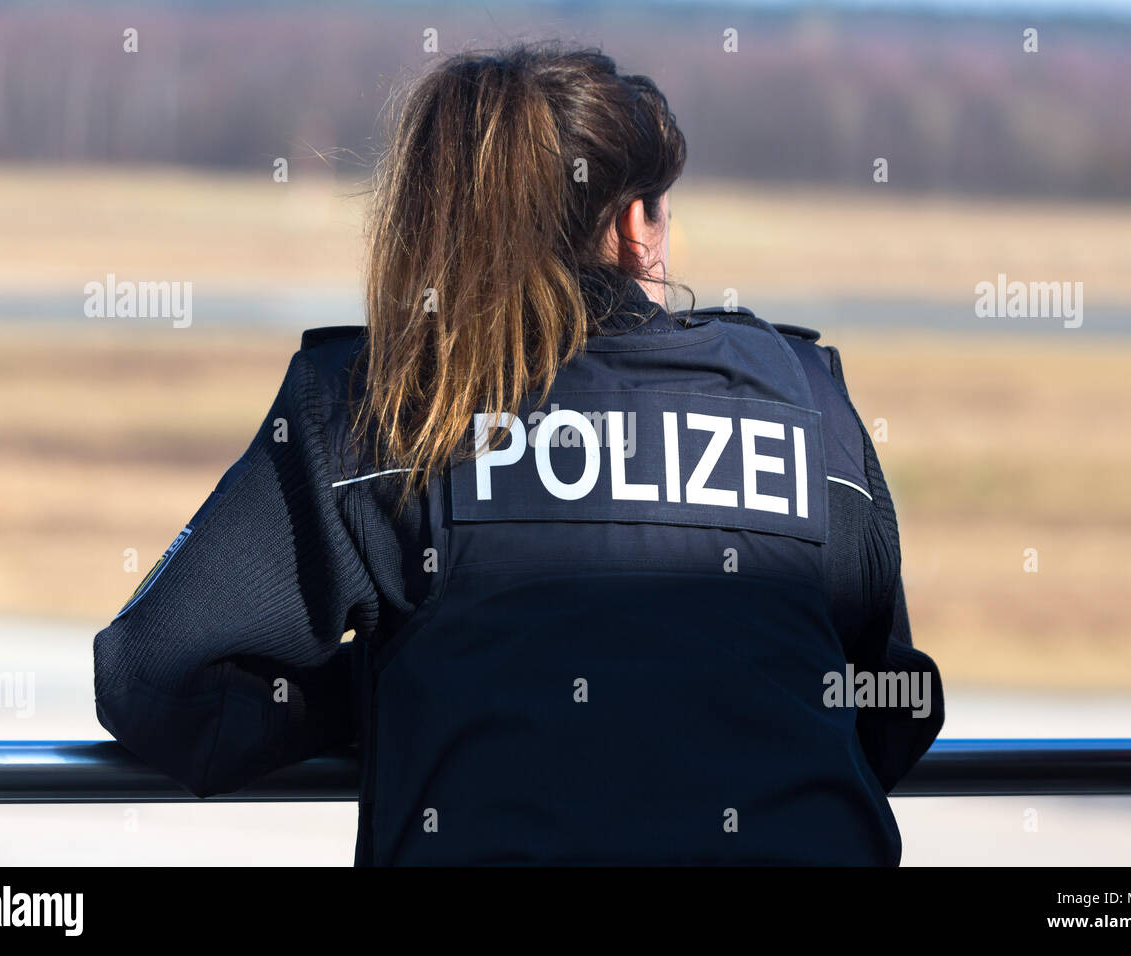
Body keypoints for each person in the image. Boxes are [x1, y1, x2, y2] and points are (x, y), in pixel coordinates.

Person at [93, 45, 943, 866]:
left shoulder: (380, 404)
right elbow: (895, 704)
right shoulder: (804, 398)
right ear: (635, 222)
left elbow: (155, 685)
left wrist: (403, 692)